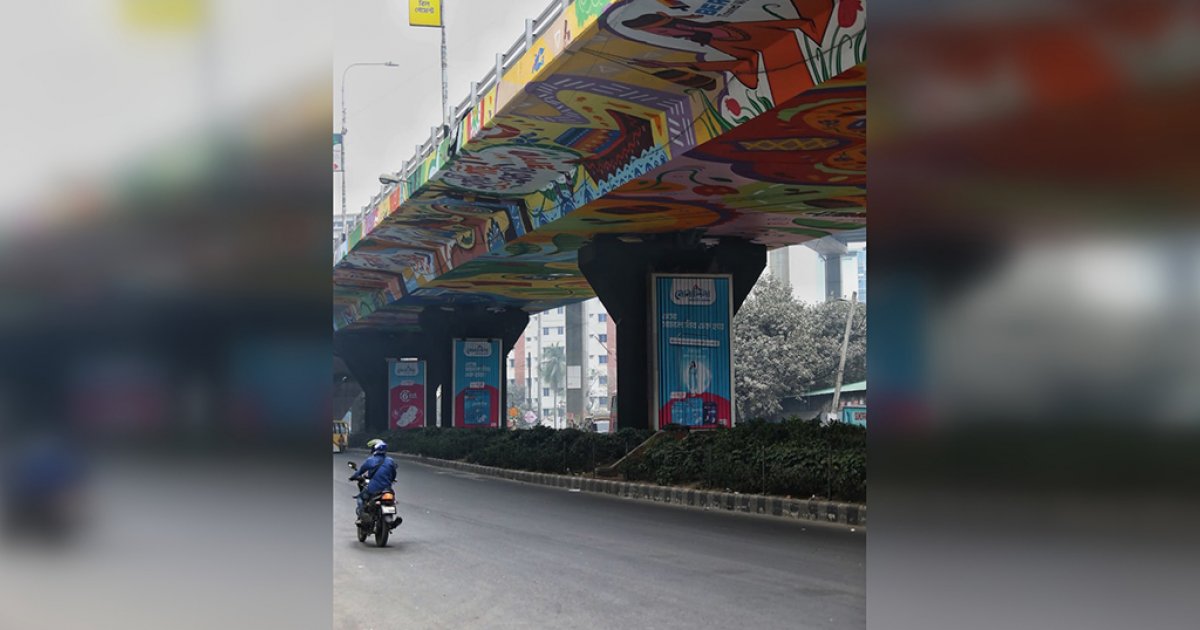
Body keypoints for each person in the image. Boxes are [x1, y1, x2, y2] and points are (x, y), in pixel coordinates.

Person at [349, 440, 398, 526]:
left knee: (360, 498)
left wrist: (353, 477)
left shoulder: (370, 460)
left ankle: (363, 515)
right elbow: (393, 474)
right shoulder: (390, 461)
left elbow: (360, 471)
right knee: (392, 499)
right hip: (387, 489)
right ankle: (390, 518)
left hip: (373, 489)